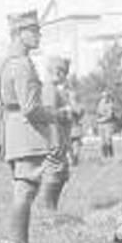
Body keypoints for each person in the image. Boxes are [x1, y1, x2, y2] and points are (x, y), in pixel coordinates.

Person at [0, 10, 53, 243]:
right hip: (27, 132)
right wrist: (56, 116)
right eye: (34, 31)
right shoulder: (21, 65)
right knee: (26, 189)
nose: (39, 35)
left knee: (22, 189)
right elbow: (30, 108)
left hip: (13, 130)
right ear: (20, 33)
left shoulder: (6, 63)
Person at [39, 55, 74, 212]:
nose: (64, 76)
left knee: (61, 174)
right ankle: (48, 211)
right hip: (54, 138)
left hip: (60, 137)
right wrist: (55, 141)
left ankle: (53, 210)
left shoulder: (55, 90)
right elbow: (50, 116)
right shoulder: (49, 89)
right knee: (54, 173)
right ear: (56, 72)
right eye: (63, 72)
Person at [96, 91, 118, 159]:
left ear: (108, 97)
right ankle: (104, 156)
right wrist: (99, 119)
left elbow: (110, 116)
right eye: (103, 96)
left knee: (108, 140)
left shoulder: (110, 104)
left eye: (106, 96)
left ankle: (111, 155)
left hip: (108, 124)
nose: (104, 98)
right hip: (101, 124)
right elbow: (98, 112)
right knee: (102, 141)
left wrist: (100, 120)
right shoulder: (100, 103)